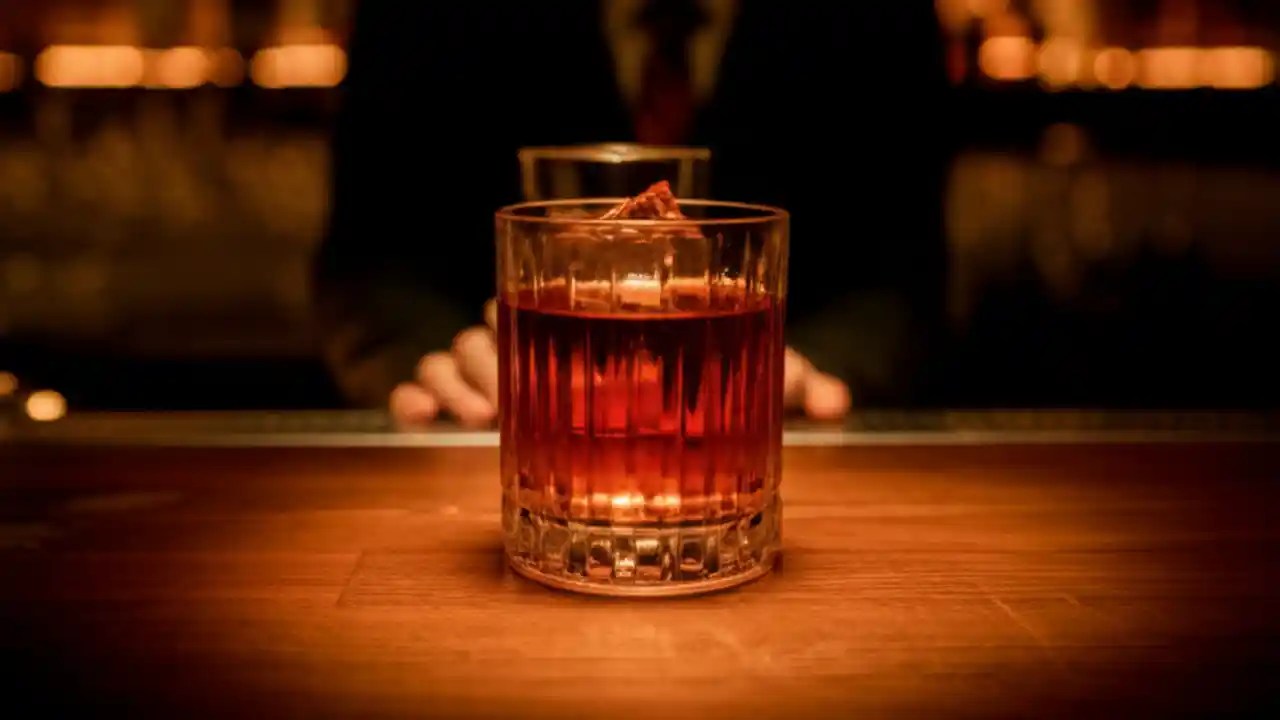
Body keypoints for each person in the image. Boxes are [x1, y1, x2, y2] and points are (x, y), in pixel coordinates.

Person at [316, 1, 950, 427]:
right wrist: (448, 372)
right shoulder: (424, 17)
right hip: (500, 449)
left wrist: (808, 367)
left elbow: (907, 268)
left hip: (767, 451)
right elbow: (368, 258)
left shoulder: (876, 19)